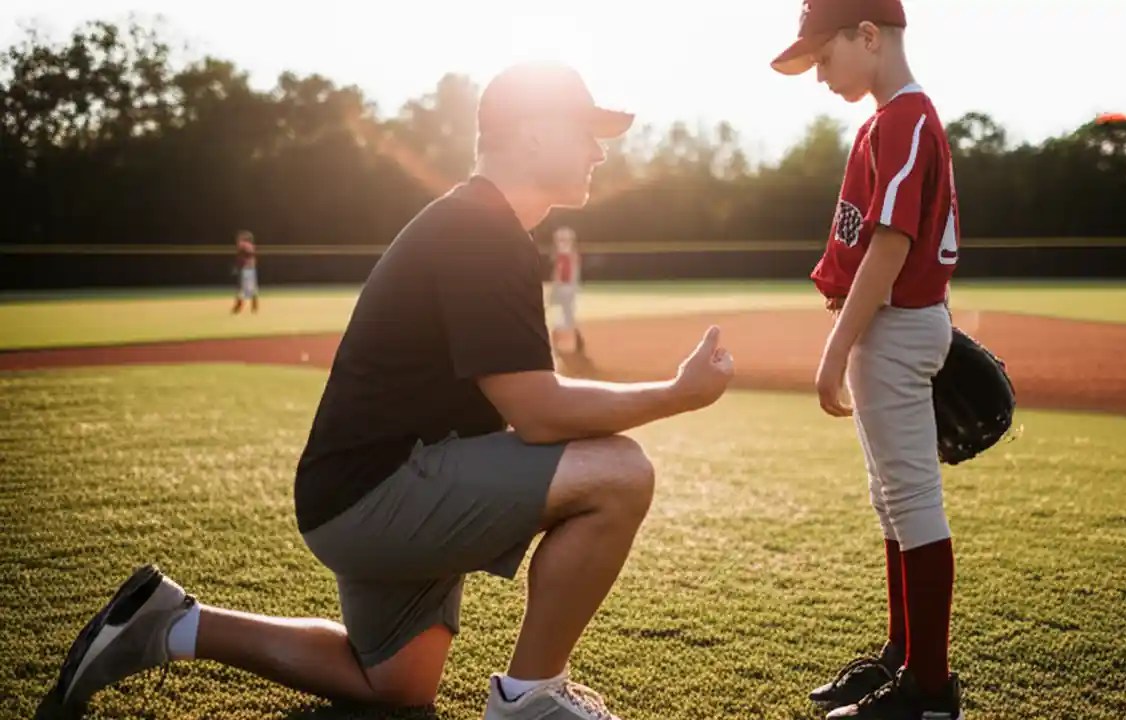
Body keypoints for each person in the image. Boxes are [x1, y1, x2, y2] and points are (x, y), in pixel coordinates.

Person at [53, 61, 735, 720]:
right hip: (378, 492)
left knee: (397, 683)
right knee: (620, 471)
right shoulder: (481, 230)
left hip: (352, 494)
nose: (597, 152)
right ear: (530, 132)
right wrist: (679, 393)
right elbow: (538, 412)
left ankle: (170, 625)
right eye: (584, 131)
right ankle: (531, 698)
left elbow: (525, 403)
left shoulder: (478, 222)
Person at [770, 1, 964, 718]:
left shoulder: (908, 118)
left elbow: (891, 245)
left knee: (912, 502)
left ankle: (930, 692)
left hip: (892, 327)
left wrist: (836, 348)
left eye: (824, 58)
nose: (819, 75)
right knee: (893, 500)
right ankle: (902, 658)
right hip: (891, 328)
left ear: (869, 36)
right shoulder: (888, 121)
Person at [548, 225, 584, 355]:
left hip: (566, 288)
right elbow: (561, 274)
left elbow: (566, 274)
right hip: (565, 288)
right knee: (565, 315)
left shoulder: (567, 255)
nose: (562, 242)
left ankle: (566, 340)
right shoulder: (564, 256)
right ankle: (569, 340)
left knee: (566, 315)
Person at [231, 230, 259, 314]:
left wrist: (237, 267)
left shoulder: (242, 245)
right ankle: (254, 307)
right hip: (251, 268)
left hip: (245, 268)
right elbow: (252, 257)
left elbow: (241, 257)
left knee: (242, 288)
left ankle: (238, 306)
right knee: (251, 289)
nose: (239, 239)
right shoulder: (251, 245)